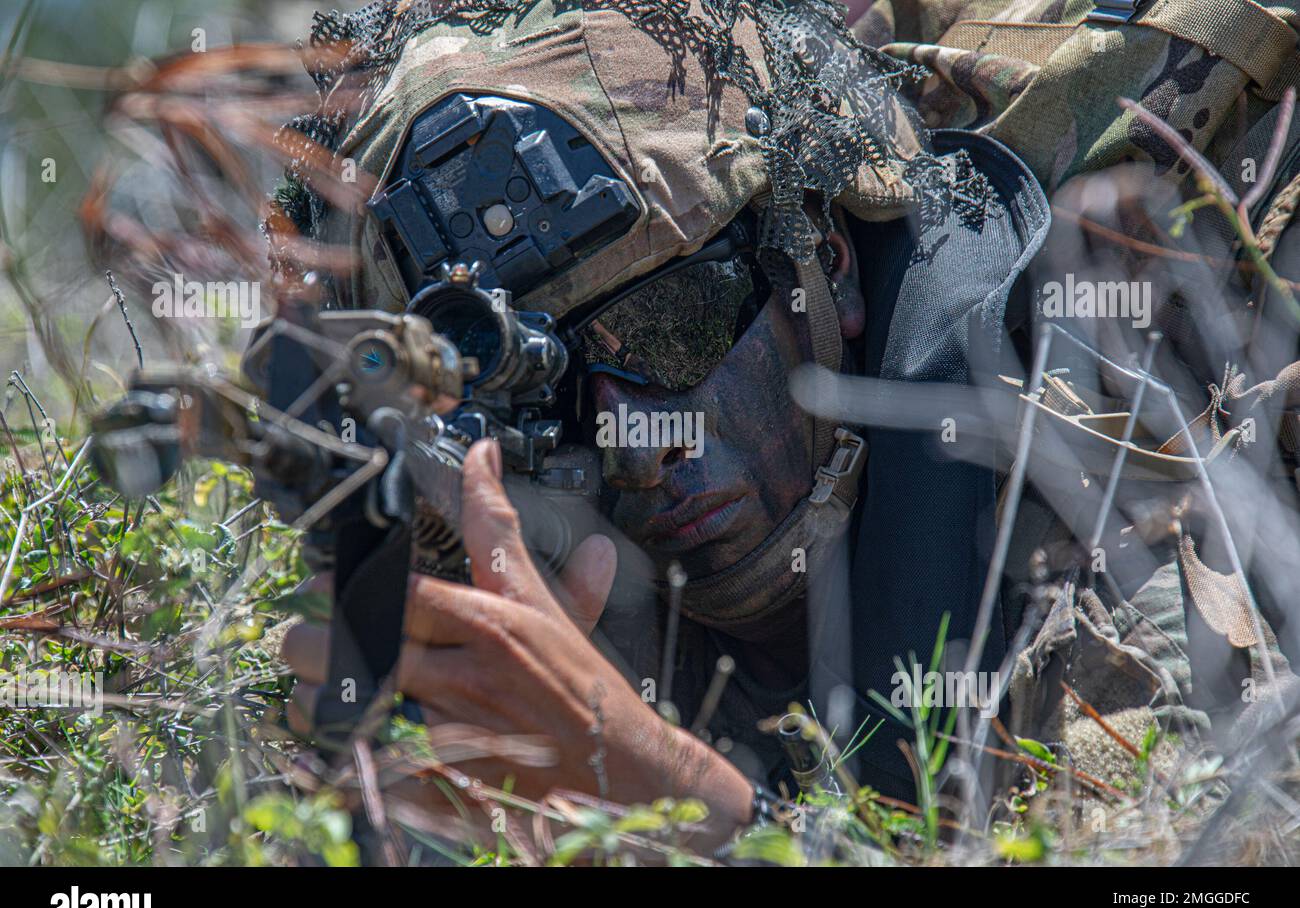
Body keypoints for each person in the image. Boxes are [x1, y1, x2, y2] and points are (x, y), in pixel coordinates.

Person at [271, 0, 1063, 853]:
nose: (637, 448)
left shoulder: (1092, 509)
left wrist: (671, 791)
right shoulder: (496, 653)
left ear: (826, 263)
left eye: (675, 329)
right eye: (556, 400)